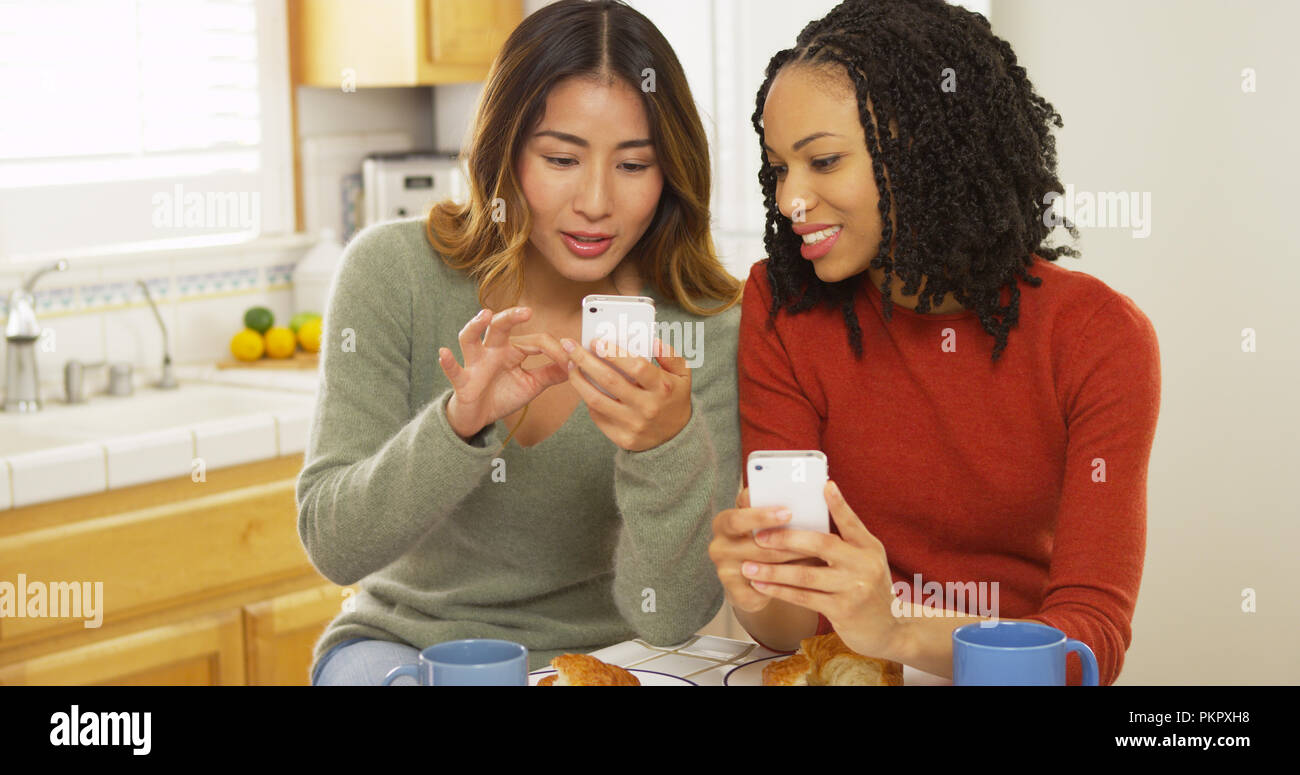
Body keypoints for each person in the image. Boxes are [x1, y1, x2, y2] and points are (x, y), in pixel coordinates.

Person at [708, 0, 1160, 686]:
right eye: (778, 170)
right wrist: (760, 591)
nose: (791, 200)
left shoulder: (1097, 338)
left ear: (926, 147)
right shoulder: (785, 302)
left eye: (823, 161)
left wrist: (897, 626)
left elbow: (1088, 645)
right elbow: (788, 623)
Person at [297, 0, 743, 685]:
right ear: (504, 150)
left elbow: (671, 617)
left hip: (596, 663)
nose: (596, 201)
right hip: (402, 649)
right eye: (562, 157)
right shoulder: (393, 274)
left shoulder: (703, 324)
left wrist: (665, 446)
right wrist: (458, 425)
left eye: (633, 165)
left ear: (670, 173)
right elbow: (335, 544)